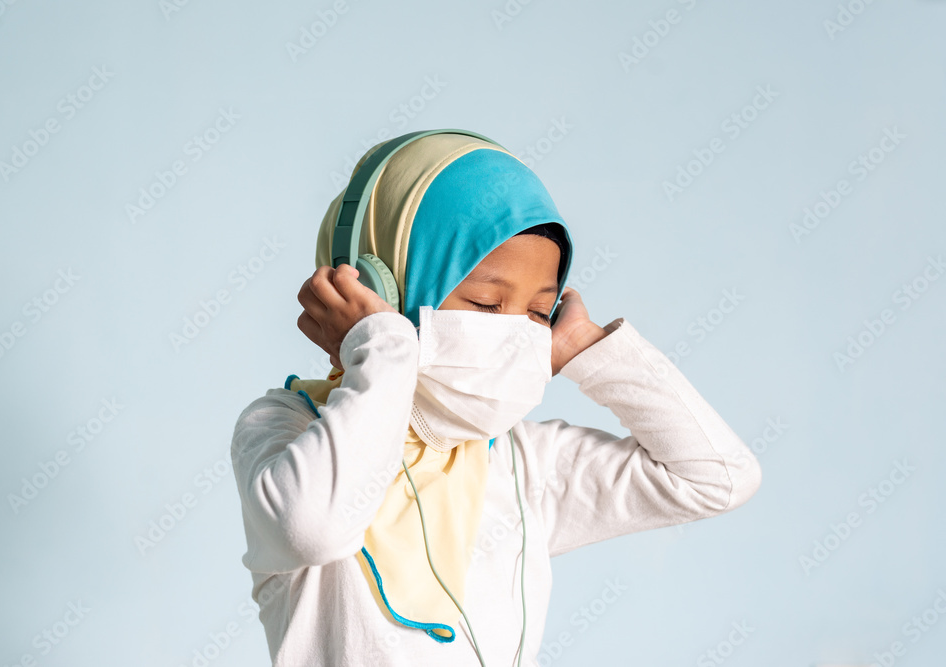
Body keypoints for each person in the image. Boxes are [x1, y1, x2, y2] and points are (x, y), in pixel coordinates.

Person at [230, 132, 762, 666]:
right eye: (486, 303)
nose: (514, 334)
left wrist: (585, 348)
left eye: (537, 313)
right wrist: (383, 346)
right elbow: (312, 528)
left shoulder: (521, 463)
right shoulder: (286, 426)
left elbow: (717, 477)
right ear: (382, 288)